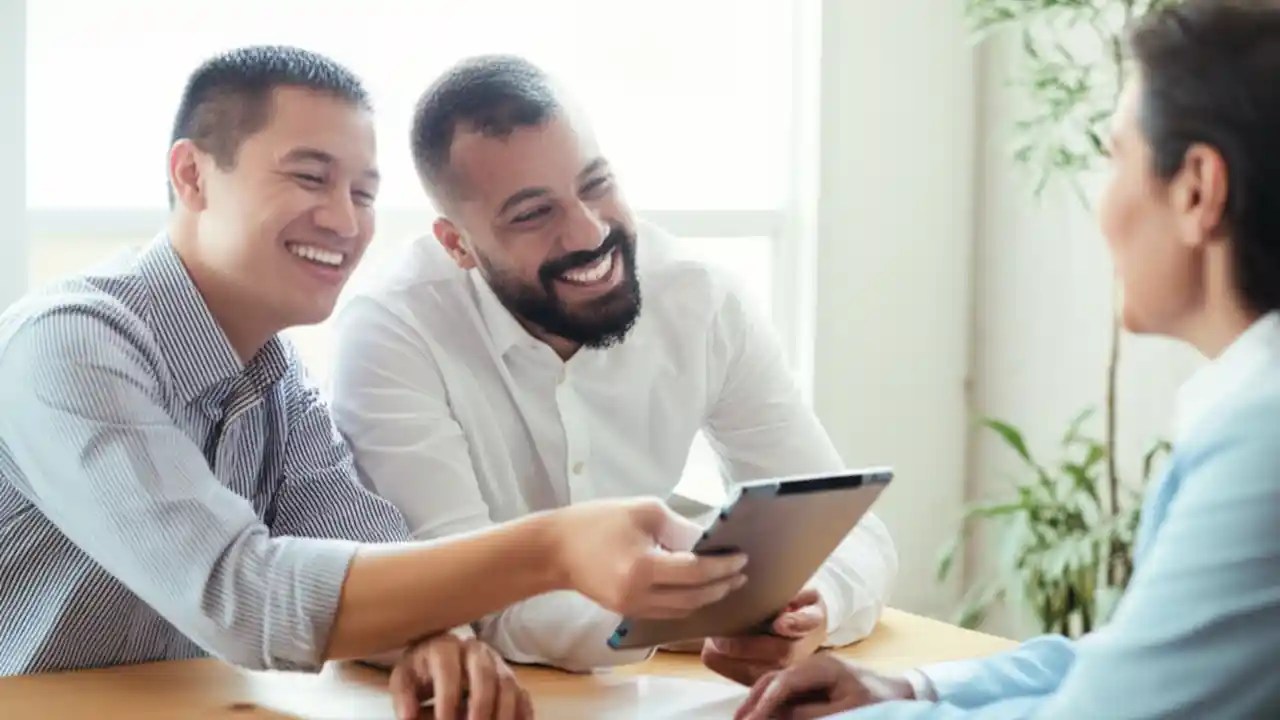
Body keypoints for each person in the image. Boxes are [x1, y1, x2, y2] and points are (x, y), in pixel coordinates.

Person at [0, 45, 749, 720]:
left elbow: (367, 547)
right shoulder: (69, 344)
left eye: (363, 193)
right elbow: (242, 595)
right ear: (193, 174)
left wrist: (432, 637)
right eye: (310, 177)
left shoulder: (276, 379)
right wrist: (556, 547)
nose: (344, 221)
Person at [734, 2, 1280, 718]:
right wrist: (911, 687)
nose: (1102, 204)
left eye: (1114, 158)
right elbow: (1136, 656)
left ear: (1198, 189)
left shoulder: (1259, 443)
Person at [328, 55, 898, 684]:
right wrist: (682, 615)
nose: (589, 230)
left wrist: (810, 610)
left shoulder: (699, 300)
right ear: (456, 243)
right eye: (532, 214)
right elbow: (451, 591)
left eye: (595, 183)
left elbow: (846, 526)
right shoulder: (391, 331)